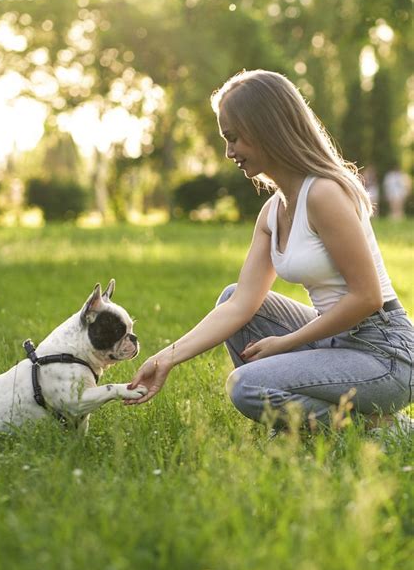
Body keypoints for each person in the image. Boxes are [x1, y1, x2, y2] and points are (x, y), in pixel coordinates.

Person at [127, 70, 413, 432]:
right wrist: (165, 358)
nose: (229, 152)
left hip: (386, 353)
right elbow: (240, 305)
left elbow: (368, 297)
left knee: (247, 386)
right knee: (234, 297)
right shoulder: (273, 212)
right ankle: (313, 428)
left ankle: (386, 431)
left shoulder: (323, 194)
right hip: (337, 340)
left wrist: (285, 343)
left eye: (233, 138)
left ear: (266, 128)